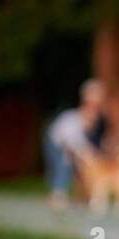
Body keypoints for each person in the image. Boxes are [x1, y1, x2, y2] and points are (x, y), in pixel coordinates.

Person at [44, 79, 104, 209]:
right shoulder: (73, 122)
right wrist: (87, 156)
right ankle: (58, 193)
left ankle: (80, 194)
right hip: (56, 143)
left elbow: (83, 143)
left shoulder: (83, 125)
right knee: (64, 163)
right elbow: (72, 143)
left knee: (78, 166)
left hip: (67, 144)